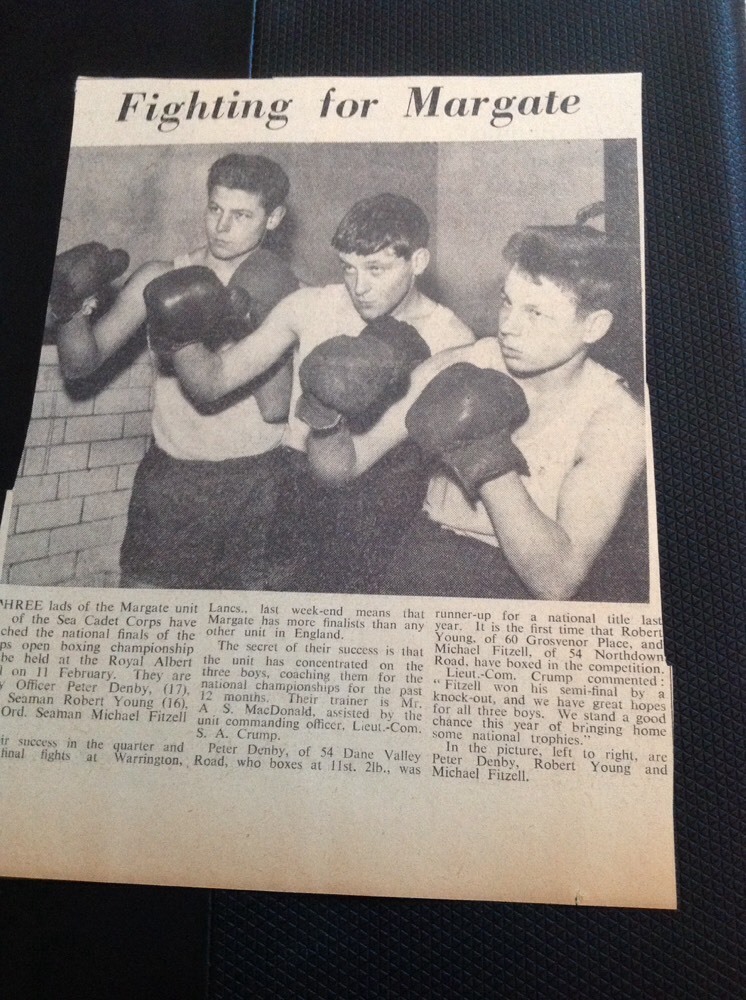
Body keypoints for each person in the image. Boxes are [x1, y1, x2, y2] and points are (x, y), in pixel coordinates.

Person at [309, 222, 646, 601]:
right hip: (423, 558)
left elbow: (557, 581)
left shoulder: (615, 419)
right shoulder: (464, 363)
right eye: (507, 301)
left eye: (535, 313)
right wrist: (324, 412)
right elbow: (343, 468)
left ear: (594, 326)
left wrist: (484, 453)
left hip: (518, 589)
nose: (509, 327)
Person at [167, 193, 475, 592]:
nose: (359, 286)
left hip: (389, 501)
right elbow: (213, 382)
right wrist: (180, 334)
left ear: (417, 261)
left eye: (376, 269)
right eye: (348, 268)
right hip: (298, 489)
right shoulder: (309, 306)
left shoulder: (450, 337)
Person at [52, 153, 299, 589]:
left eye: (241, 215)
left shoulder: (284, 290)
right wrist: (69, 309)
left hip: (253, 484)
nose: (222, 227)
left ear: (274, 217)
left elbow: (276, 409)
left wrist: (244, 324)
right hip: (171, 479)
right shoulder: (160, 277)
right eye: (215, 209)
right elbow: (80, 366)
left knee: (236, 641)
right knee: (142, 620)